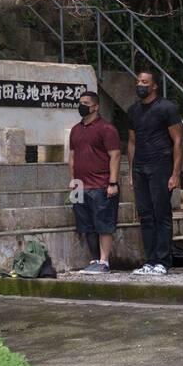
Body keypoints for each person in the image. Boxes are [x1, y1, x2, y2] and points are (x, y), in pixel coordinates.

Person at [127, 72, 183, 276]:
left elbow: (178, 140)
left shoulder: (167, 108)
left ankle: (163, 261)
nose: (140, 85)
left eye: (144, 82)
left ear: (155, 86)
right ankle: (150, 260)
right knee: (145, 215)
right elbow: (132, 142)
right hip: (140, 167)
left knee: (161, 214)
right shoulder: (133, 110)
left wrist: (176, 173)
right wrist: (131, 172)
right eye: (138, 82)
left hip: (161, 165)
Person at [68, 90, 121, 273]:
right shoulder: (75, 130)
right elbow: (72, 157)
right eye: (80, 102)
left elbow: (115, 155)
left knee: (104, 224)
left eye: (86, 103)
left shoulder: (107, 129)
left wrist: (112, 183)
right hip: (80, 186)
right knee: (85, 225)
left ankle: (104, 261)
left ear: (96, 107)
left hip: (102, 184)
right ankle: (94, 259)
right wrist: (73, 180)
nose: (82, 106)